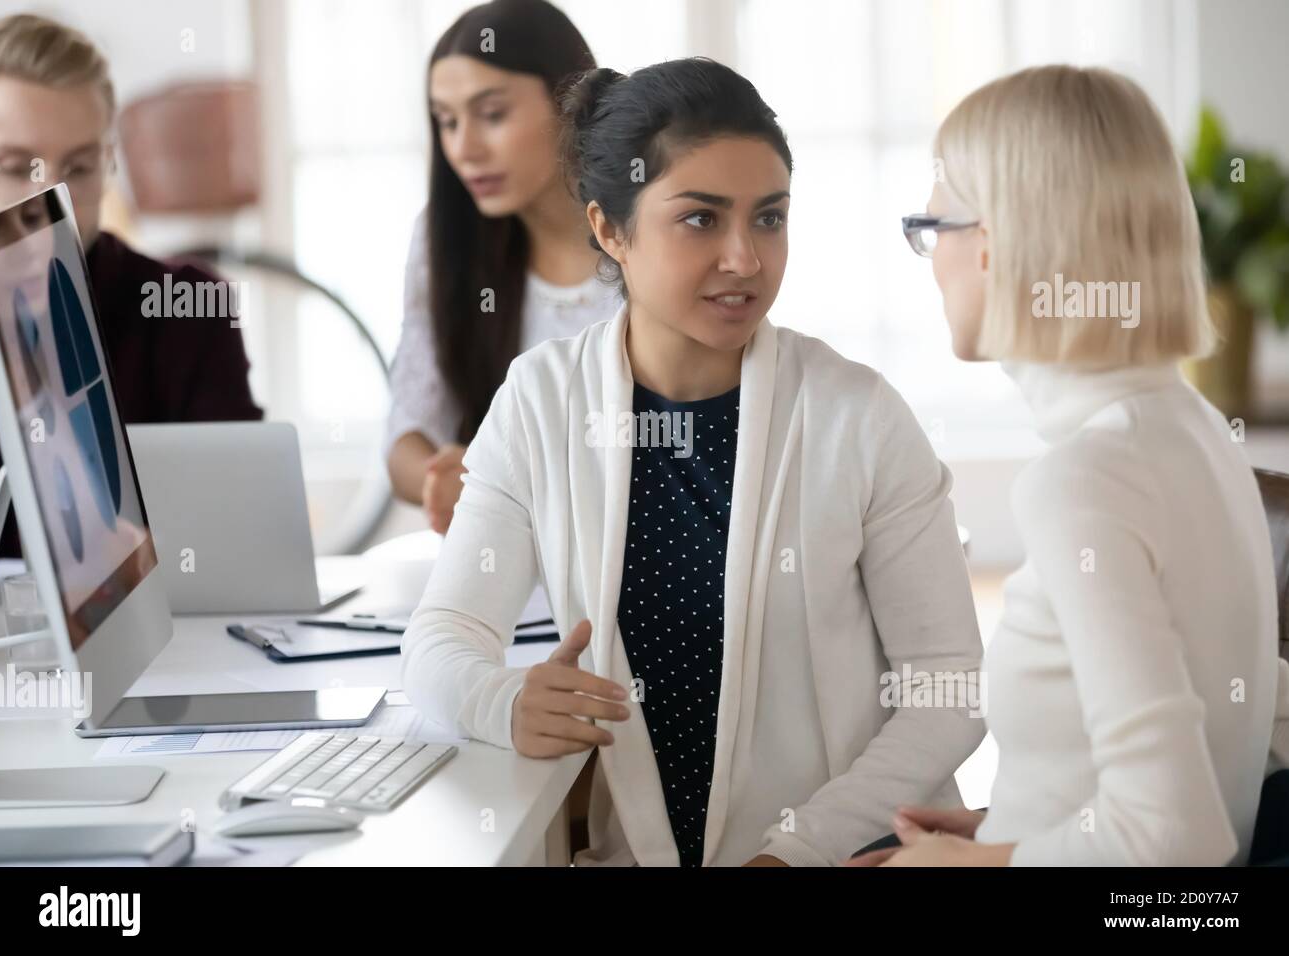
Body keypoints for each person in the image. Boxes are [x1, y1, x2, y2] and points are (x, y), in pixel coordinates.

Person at [403, 57, 985, 867]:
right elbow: (439, 642)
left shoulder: (860, 416)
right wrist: (501, 700)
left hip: (851, 855)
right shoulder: (540, 402)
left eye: (770, 218)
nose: (745, 258)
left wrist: (798, 852)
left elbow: (947, 688)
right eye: (701, 220)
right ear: (609, 229)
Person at [855, 65, 1282, 866]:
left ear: (992, 245)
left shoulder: (1086, 479)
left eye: (932, 224)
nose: (932, 259)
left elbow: (1176, 838)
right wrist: (1007, 827)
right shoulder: (1189, 428)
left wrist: (971, 865)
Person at [0, 13, 262, 558]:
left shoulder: (188, 308)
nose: (49, 200)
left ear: (110, 167)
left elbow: (240, 538)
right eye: (18, 167)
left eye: (80, 167)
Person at [386, 0, 620, 533]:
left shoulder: (650, 235)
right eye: (446, 121)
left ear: (570, 102)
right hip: (505, 577)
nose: (463, 149)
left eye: (491, 114)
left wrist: (491, 478)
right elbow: (404, 434)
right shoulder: (442, 238)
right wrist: (443, 475)